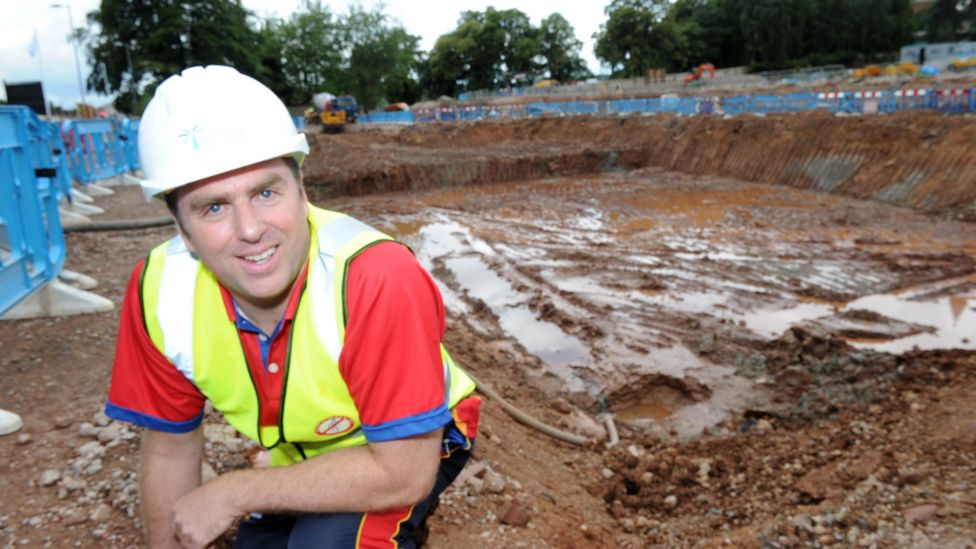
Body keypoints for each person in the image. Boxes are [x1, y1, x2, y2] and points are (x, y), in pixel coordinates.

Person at [104, 65, 480, 549]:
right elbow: (171, 449)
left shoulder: (374, 276)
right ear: (181, 230)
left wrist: (237, 490)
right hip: (302, 454)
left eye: (265, 192)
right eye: (213, 207)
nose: (250, 229)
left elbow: (404, 473)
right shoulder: (159, 291)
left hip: (414, 441)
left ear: (302, 193)